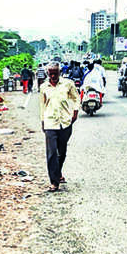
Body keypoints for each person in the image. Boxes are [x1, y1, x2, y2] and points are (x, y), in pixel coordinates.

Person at [39, 62, 80, 192]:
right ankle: (54, 182)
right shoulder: (44, 87)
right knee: (51, 153)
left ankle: (58, 172)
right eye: (50, 73)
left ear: (59, 72)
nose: (52, 75)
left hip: (65, 123)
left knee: (61, 152)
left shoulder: (68, 84)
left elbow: (76, 98)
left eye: (55, 73)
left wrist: (75, 112)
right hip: (50, 122)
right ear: (47, 73)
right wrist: (43, 121)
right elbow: (42, 105)